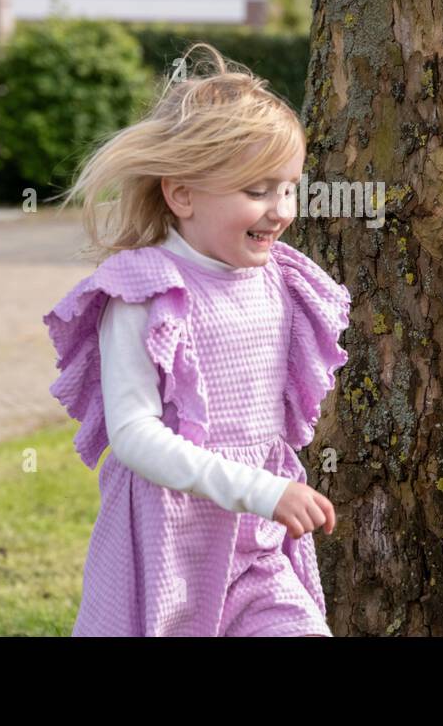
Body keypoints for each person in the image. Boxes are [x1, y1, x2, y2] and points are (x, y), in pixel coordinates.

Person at [42, 43, 352, 636]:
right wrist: (259, 489)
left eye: (288, 187)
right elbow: (133, 436)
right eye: (257, 190)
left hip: (255, 549)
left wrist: (266, 494)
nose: (280, 210)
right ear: (181, 194)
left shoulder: (283, 281)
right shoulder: (145, 291)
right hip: (166, 547)